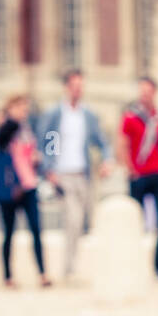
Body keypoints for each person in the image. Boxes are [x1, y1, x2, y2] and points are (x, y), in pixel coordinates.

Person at [38, 69, 113, 279]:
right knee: (73, 218)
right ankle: (69, 268)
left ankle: (71, 265)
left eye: (81, 86)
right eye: (74, 86)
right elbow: (47, 141)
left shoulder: (87, 115)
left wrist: (107, 159)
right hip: (63, 174)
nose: (78, 90)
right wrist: (49, 169)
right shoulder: (55, 113)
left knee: (81, 222)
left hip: (83, 174)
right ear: (66, 88)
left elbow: (101, 140)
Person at [119, 77, 158, 280]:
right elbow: (123, 143)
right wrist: (129, 167)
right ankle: (133, 264)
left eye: (148, 91)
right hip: (138, 174)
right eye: (142, 91)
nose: (145, 95)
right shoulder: (130, 117)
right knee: (134, 222)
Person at [0, 95, 51, 289]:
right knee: (9, 232)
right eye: (20, 107)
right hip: (10, 187)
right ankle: (8, 276)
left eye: (25, 107)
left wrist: (37, 158)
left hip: (29, 184)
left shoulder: (26, 129)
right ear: (10, 107)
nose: (24, 111)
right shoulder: (7, 127)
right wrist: (7, 121)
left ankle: (42, 273)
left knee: (36, 229)